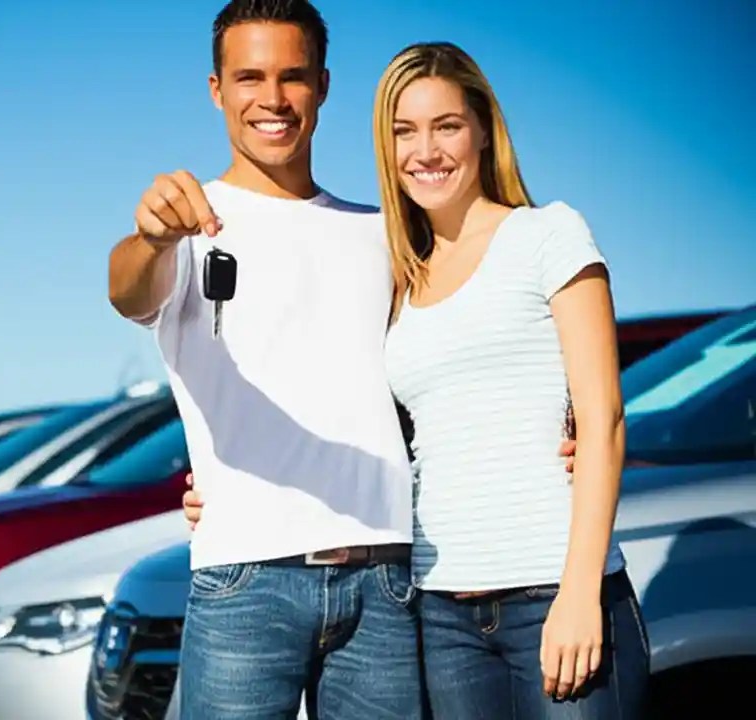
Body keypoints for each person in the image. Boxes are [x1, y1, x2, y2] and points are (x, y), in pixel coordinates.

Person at [181, 40, 651, 719]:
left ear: (484, 130)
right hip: (440, 609)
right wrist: (225, 484)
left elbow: (602, 416)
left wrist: (580, 591)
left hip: (553, 592)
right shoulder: (403, 274)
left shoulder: (549, 235)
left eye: (447, 126)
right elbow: (369, 415)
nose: (425, 151)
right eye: (405, 132)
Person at [108, 1, 424, 718]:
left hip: (385, 581)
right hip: (244, 581)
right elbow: (127, 290)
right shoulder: (186, 224)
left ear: (324, 85)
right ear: (217, 89)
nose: (273, 99)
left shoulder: (383, 234)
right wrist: (153, 238)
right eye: (249, 77)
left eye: (293, 76)